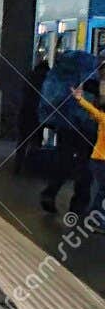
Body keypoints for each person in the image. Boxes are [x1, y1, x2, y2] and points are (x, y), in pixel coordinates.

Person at [43, 77, 98, 218]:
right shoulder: (96, 90)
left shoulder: (75, 87)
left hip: (67, 128)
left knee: (63, 163)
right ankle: (78, 206)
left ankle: (49, 193)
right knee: (85, 169)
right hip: (88, 132)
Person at [73, 84, 105, 218]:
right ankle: (96, 217)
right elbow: (93, 110)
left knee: (102, 191)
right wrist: (80, 99)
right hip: (100, 161)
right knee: (102, 191)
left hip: (98, 160)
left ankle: (95, 215)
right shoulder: (103, 118)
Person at [15, 60, 50, 175]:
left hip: (26, 111)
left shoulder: (29, 76)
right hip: (39, 113)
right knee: (36, 140)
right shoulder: (47, 80)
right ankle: (31, 166)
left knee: (22, 141)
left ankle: (18, 166)